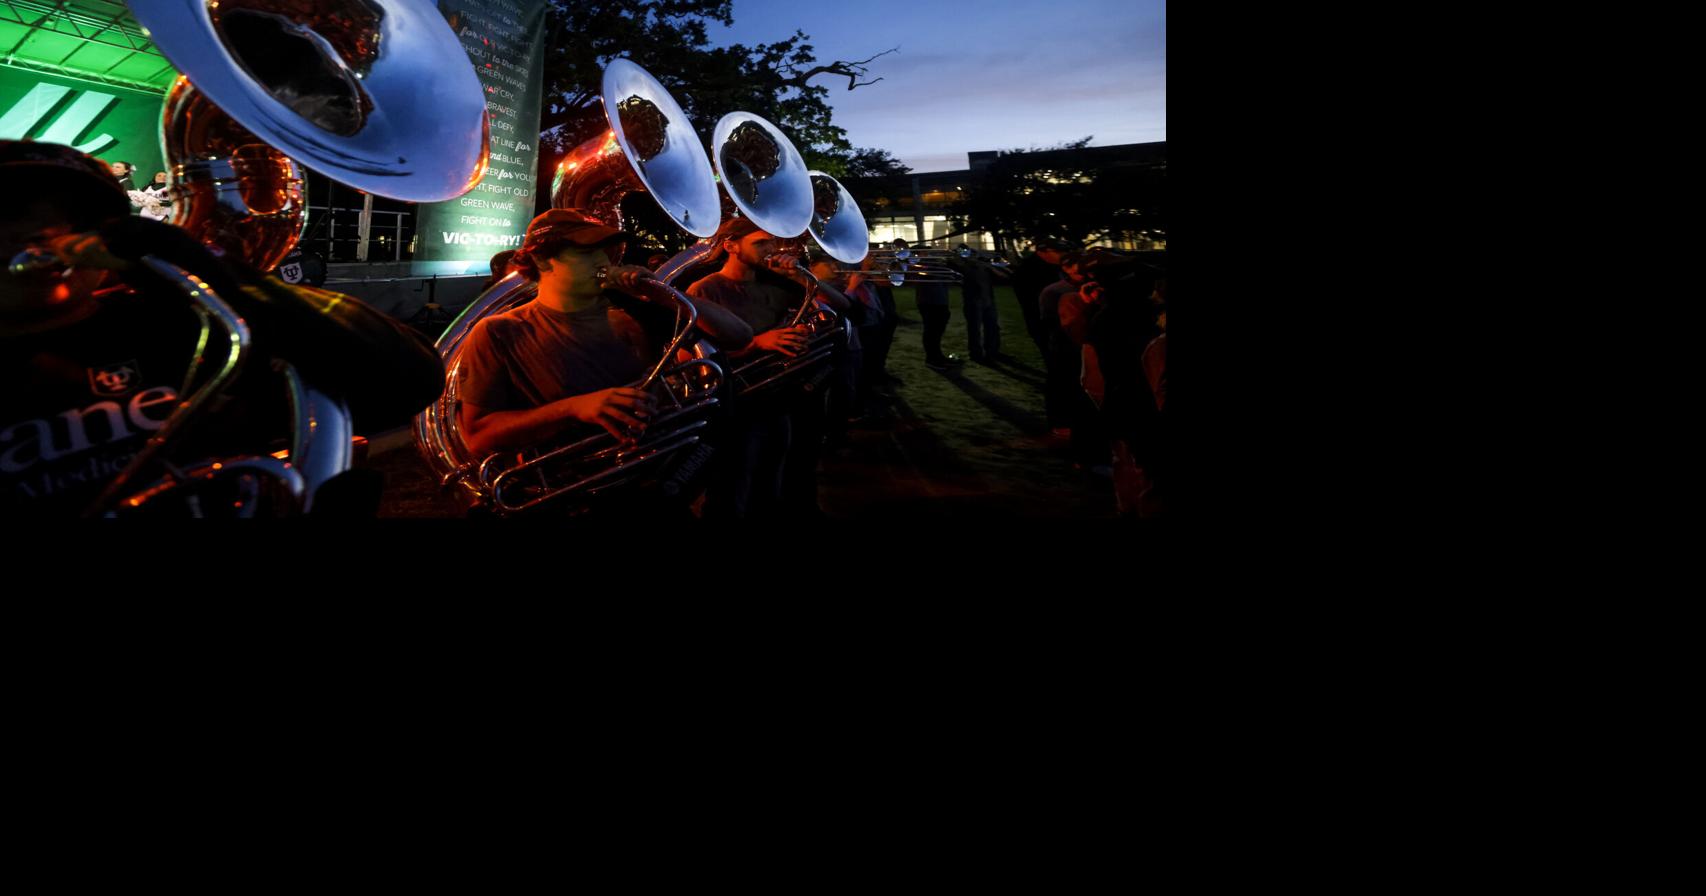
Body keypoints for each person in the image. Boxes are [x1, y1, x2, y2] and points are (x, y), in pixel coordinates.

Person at [1, 139, 445, 517]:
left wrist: (212, 275)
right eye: (14, 213)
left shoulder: (182, 324)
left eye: (77, 220)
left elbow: (411, 377)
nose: (47, 237)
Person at [456, 209, 753, 481]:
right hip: (574, 489)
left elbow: (738, 335)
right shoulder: (499, 331)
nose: (603, 261)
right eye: (586, 252)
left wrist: (660, 292)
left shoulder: (634, 315)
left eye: (604, 251)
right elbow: (479, 437)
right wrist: (574, 408)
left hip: (656, 477)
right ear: (542, 259)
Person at [686, 217, 851, 518]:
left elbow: (843, 306)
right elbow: (696, 362)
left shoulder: (776, 283)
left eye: (772, 242)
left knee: (772, 479)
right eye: (760, 242)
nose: (771, 249)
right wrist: (759, 343)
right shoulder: (705, 290)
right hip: (738, 404)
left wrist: (801, 276)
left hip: (779, 398)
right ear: (730, 245)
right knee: (733, 486)